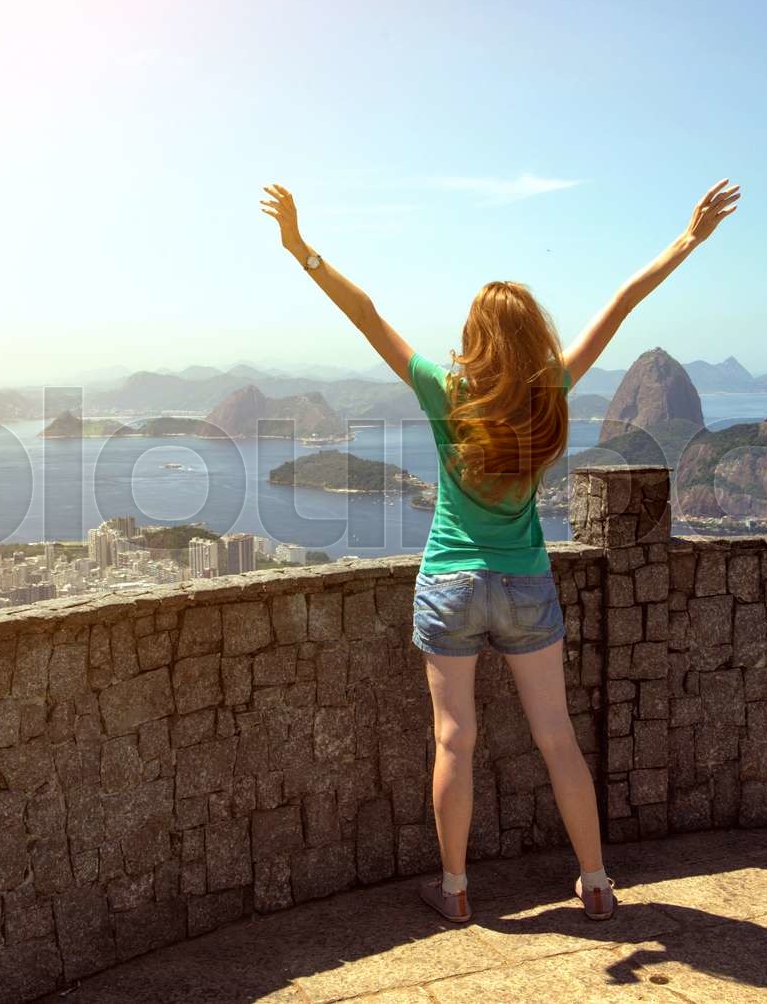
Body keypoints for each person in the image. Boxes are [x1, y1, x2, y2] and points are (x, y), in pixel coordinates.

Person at [259, 179, 740, 924]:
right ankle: (597, 880)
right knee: (557, 736)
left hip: (449, 581)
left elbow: (367, 315)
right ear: (529, 337)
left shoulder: (444, 389)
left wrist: (299, 250)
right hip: (524, 584)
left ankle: (454, 889)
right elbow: (620, 303)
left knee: (455, 739)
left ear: (477, 335)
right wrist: (688, 240)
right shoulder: (551, 387)